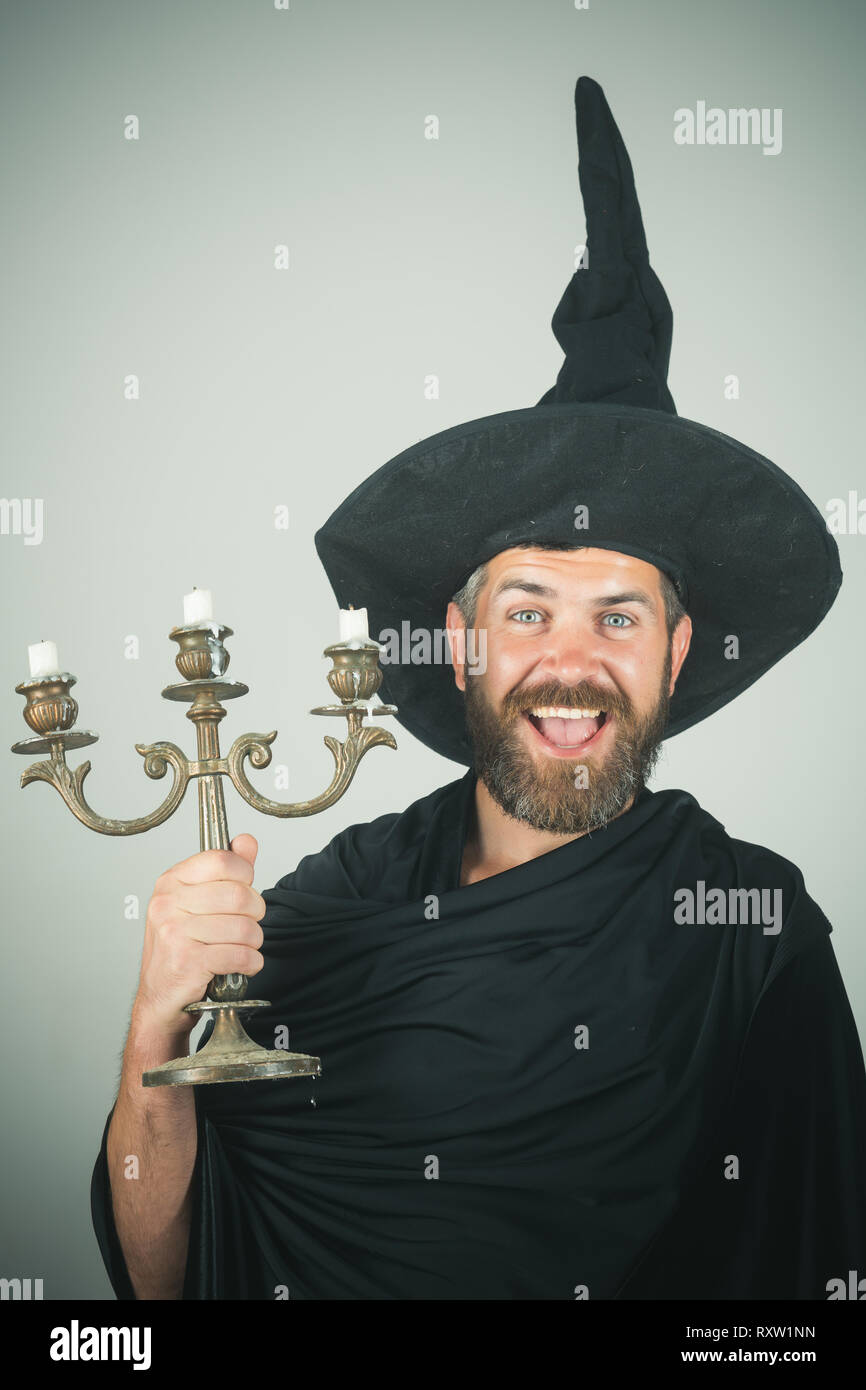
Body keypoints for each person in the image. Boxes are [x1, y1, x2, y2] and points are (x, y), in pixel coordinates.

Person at [91, 77, 866, 1301]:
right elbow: (162, 1280)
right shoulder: (328, 909)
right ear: (459, 645)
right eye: (525, 612)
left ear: (672, 653)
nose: (571, 663)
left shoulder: (750, 936)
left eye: (617, 616)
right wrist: (150, 1034)